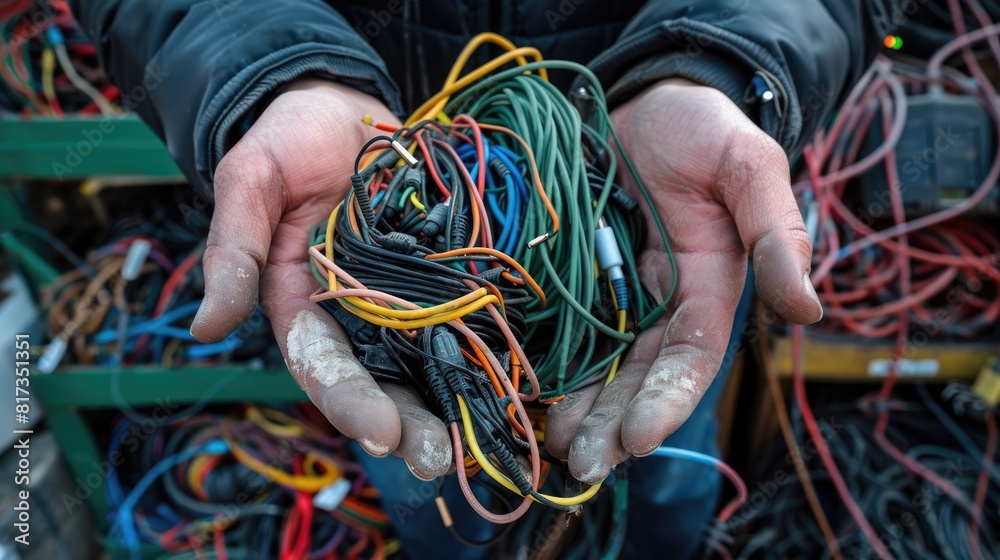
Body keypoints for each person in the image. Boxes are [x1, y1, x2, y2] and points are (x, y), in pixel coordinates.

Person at [69, 0, 896, 556]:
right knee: (426, 471)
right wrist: (272, 75)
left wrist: (718, 60)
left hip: (652, 219)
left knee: (665, 455)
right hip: (380, 170)